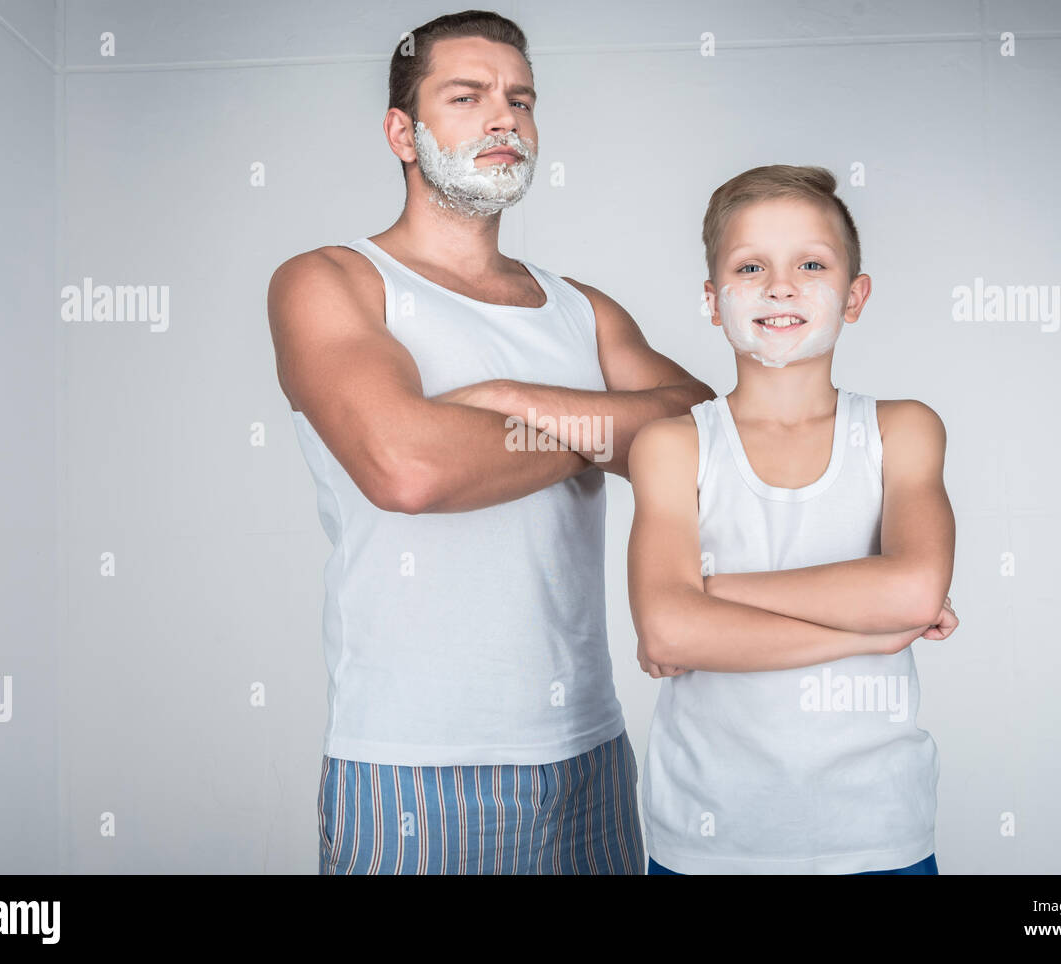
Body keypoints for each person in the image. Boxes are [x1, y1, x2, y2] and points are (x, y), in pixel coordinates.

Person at [266, 10, 713, 874]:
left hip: (589, 747)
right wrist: (606, 431)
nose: (503, 118)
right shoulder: (332, 281)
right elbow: (409, 466)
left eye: (521, 99)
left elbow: (707, 439)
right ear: (403, 131)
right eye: (466, 96)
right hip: (413, 763)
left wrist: (505, 402)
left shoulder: (582, 307)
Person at [626, 164, 960, 875]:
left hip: (876, 831)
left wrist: (713, 595)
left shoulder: (902, 431)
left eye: (811, 263)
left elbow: (911, 594)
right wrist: (870, 633)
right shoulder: (672, 445)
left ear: (855, 294)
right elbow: (666, 629)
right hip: (706, 838)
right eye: (752, 267)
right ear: (714, 301)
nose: (781, 286)